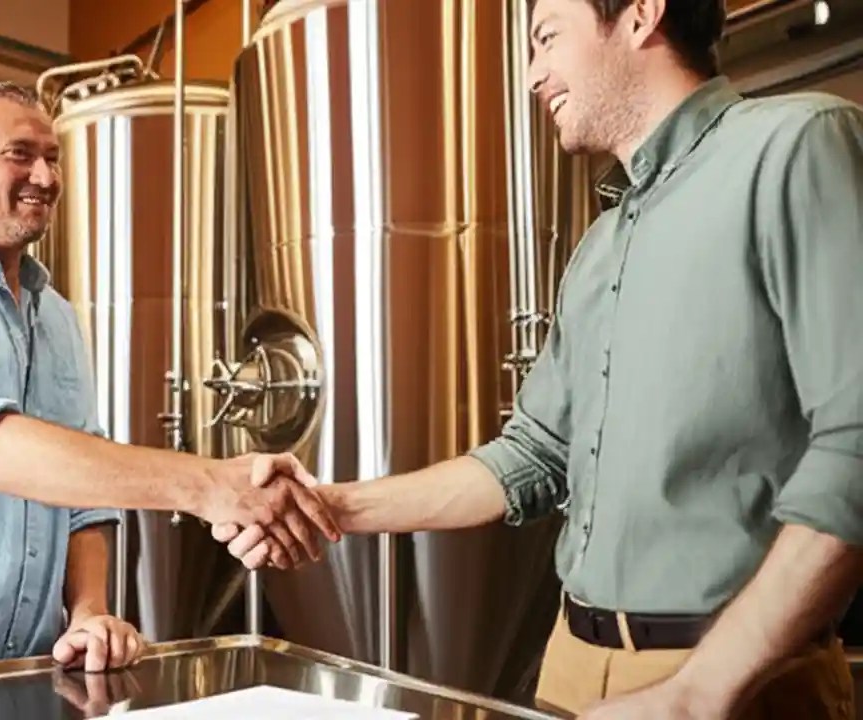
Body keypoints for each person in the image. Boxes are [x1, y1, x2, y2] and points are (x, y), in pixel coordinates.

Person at [214, 0, 863, 717]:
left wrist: (699, 690)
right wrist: (333, 506)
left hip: (734, 675)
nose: (531, 75)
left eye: (547, 38)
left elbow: (855, 442)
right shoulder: (601, 244)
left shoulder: (794, 146)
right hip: (572, 661)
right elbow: (532, 454)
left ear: (641, 14)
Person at [0, 80, 341, 677]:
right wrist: (206, 486)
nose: (44, 176)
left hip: (25, 672)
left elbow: (84, 501)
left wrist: (88, 611)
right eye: (19, 154)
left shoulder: (56, 315)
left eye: (53, 157)